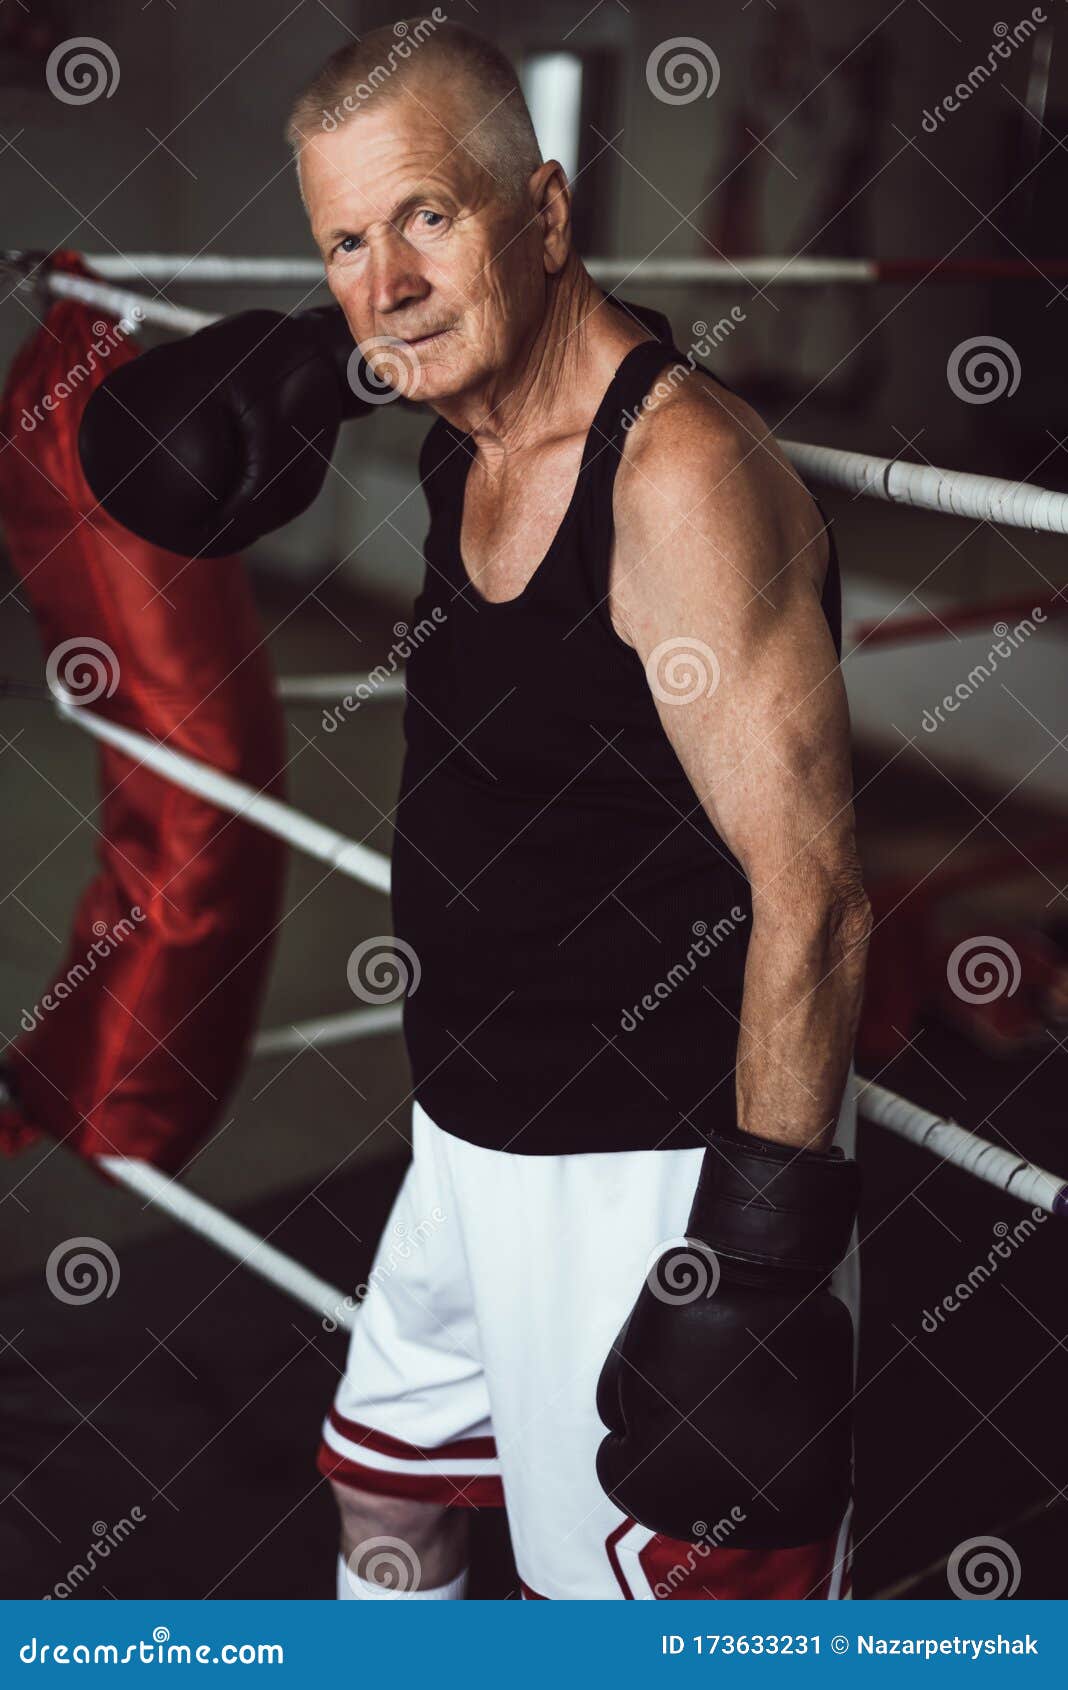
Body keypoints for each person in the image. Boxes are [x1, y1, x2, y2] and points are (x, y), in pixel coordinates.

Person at [82, 18, 871, 1602]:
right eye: (346, 241)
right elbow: (381, 338)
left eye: (428, 215)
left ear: (551, 213)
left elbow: (820, 902)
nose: (385, 280)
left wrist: (762, 1261)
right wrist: (310, 359)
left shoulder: (678, 485)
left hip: (642, 1163)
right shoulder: (462, 422)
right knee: (390, 1503)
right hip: (469, 1129)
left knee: (640, 1615)